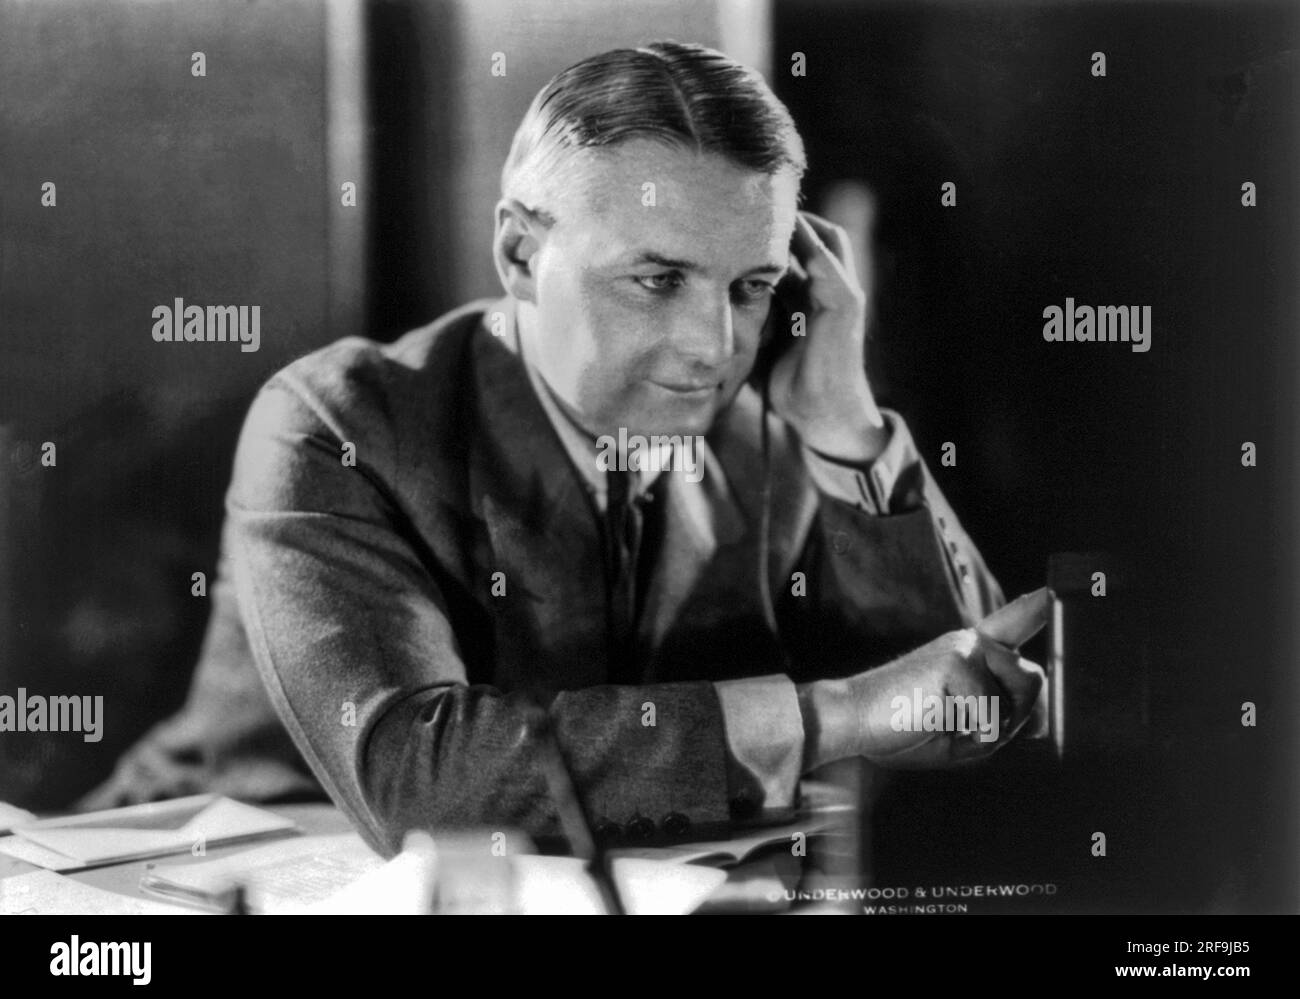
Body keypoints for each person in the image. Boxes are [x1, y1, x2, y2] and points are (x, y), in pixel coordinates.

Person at [83, 41, 1046, 856]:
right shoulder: (339, 423)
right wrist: (832, 715)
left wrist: (848, 429)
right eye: (658, 279)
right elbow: (418, 780)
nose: (714, 347)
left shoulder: (767, 440)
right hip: (186, 879)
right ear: (519, 255)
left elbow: (968, 701)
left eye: (750, 286)